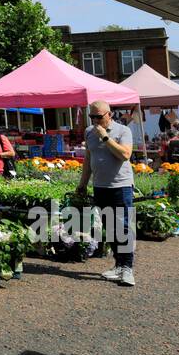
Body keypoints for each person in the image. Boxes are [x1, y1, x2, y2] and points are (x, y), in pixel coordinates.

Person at [77, 100, 135, 287]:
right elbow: (88, 158)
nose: (95, 120)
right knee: (110, 228)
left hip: (121, 186)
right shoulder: (88, 132)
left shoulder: (123, 131)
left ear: (109, 115)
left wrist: (105, 137)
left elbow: (125, 155)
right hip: (100, 187)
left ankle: (127, 268)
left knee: (123, 227)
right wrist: (83, 183)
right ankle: (119, 265)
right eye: (92, 117)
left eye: (98, 117)